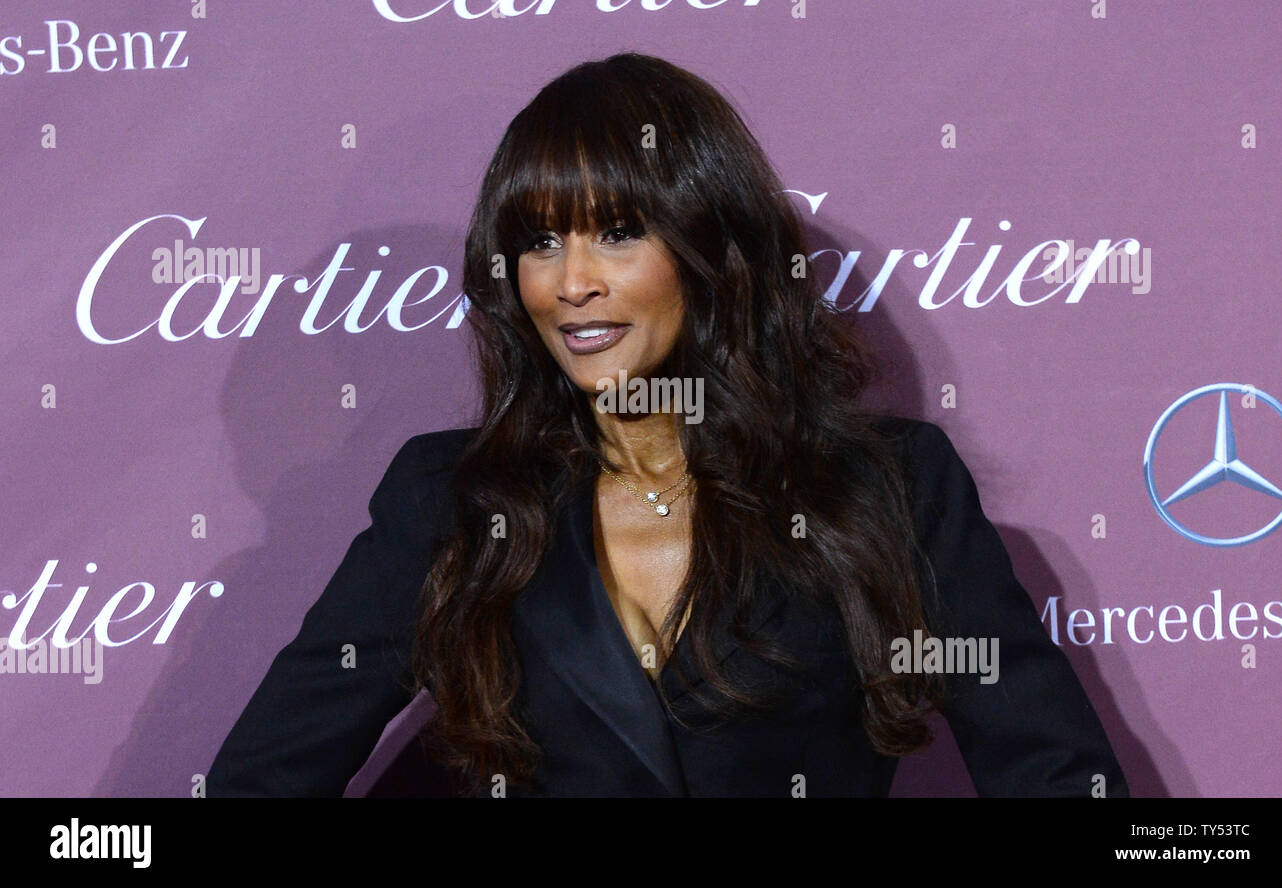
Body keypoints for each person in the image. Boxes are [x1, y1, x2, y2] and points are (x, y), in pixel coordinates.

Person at [207, 52, 1128, 798]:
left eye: (615, 232)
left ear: (711, 250)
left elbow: (1054, 772)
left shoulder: (886, 486)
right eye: (538, 242)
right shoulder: (452, 500)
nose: (571, 283)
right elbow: (263, 778)